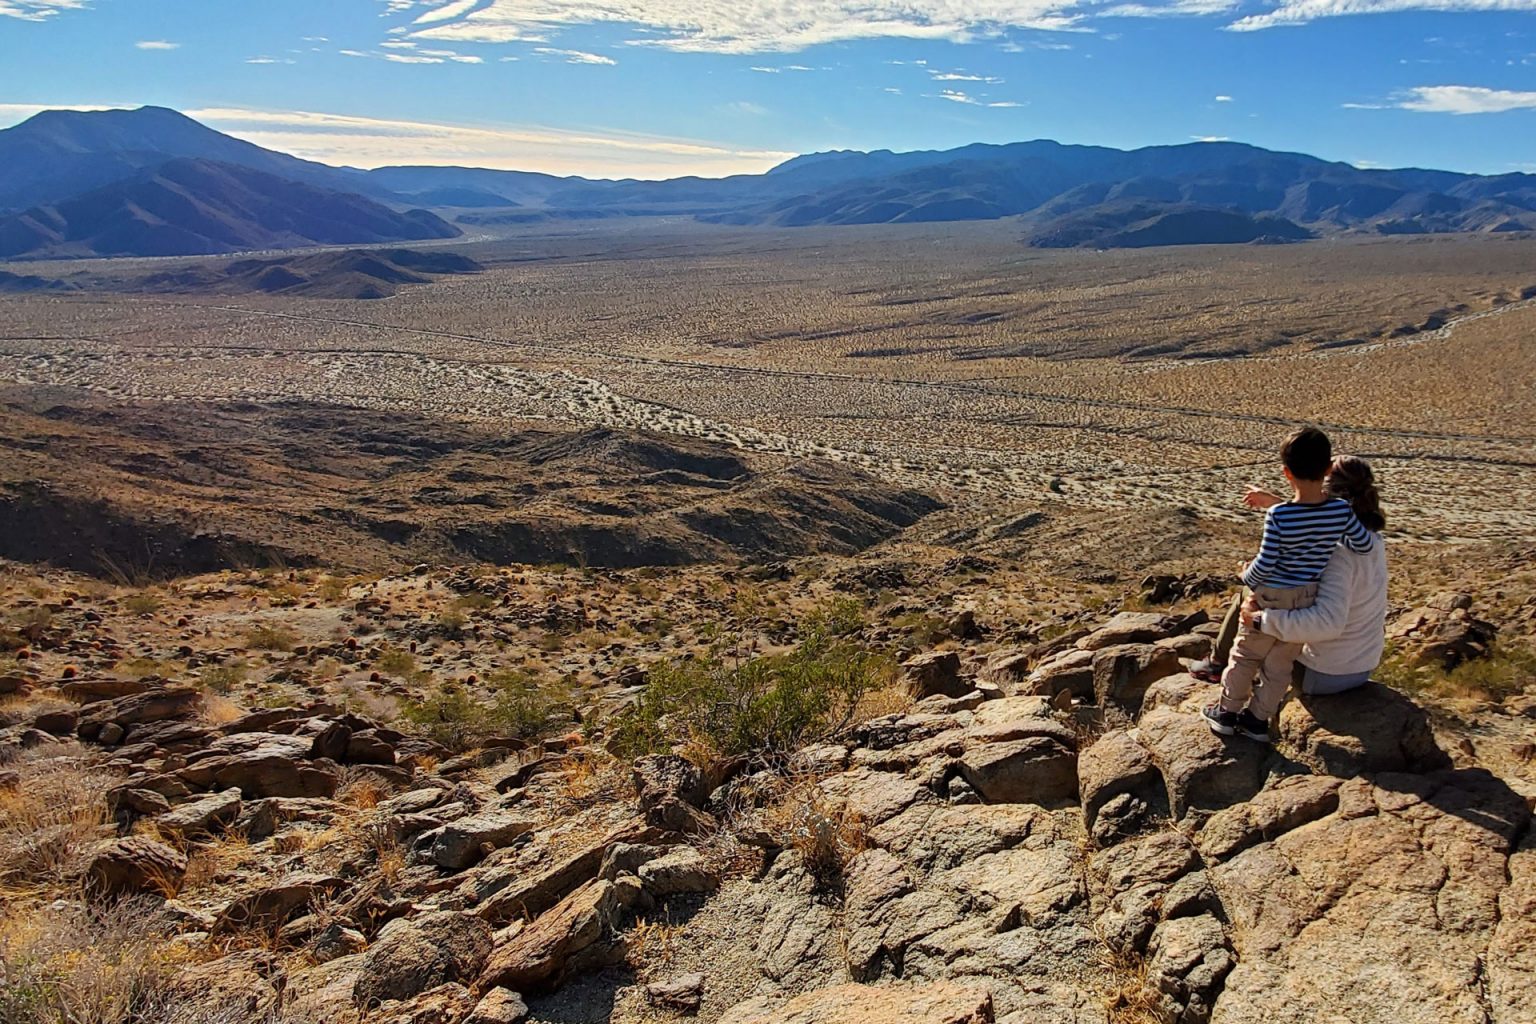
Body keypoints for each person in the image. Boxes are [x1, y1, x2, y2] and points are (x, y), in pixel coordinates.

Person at [1201, 428, 1376, 742]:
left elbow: (1266, 562)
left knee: (1245, 656)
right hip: (1305, 598)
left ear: (1286, 472)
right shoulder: (1340, 511)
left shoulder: (1279, 516)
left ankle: (1226, 711)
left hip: (1272, 598)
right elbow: (1361, 543)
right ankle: (1257, 721)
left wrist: (1245, 577)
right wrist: (1331, 534)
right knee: (1279, 665)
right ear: (1325, 469)